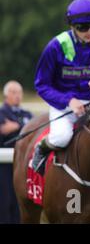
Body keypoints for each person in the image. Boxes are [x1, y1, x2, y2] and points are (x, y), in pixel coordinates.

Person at [32, 0, 90, 172]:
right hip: (65, 107)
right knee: (61, 138)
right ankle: (42, 148)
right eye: (83, 27)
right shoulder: (55, 47)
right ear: (72, 26)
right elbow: (41, 85)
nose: (89, 32)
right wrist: (69, 101)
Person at [0, 80, 33, 223]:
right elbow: (4, 129)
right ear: (6, 95)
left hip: (21, 163)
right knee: (5, 200)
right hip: (4, 163)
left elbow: (33, 130)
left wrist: (16, 125)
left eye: (19, 92)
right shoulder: (2, 112)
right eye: (13, 92)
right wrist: (24, 124)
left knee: (20, 199)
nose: (17, 95)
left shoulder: (27, 113)